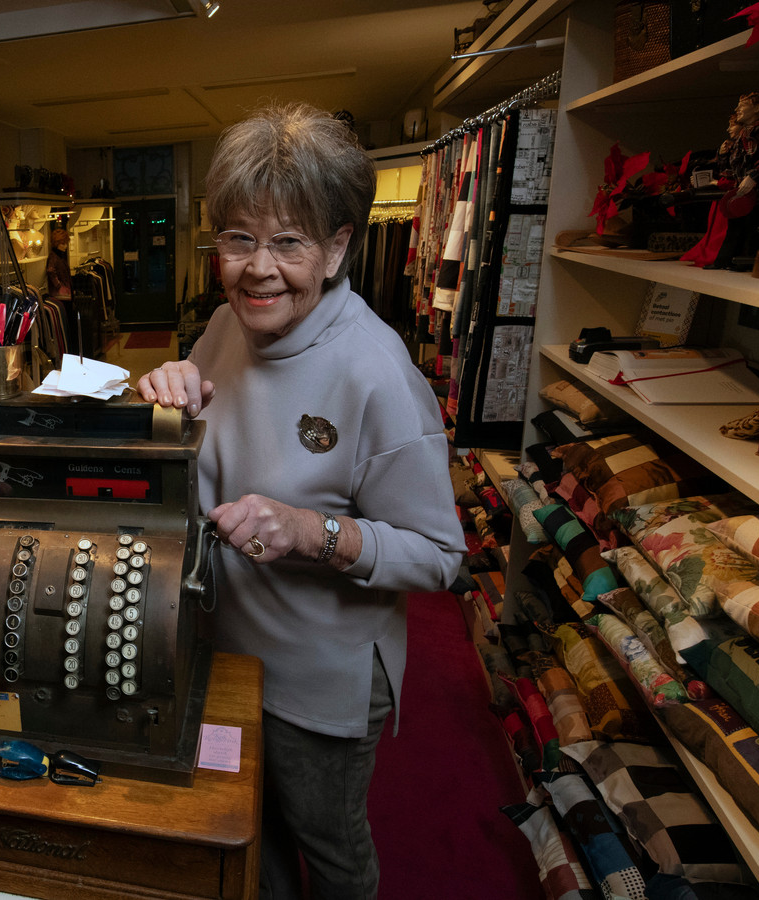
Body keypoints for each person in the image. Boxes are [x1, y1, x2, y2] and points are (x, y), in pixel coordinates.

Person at [137, 103, 466, 899]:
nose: (258, 268)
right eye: (239, 238)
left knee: (330, 849)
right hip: (222, 654)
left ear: (337, 248)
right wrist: (160, 400)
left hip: (318, 679)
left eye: (288, 242)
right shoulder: (221, 325)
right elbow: (200, 461)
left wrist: (311, 532)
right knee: (252, 833)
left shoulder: (377, 374)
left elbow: (440, 558)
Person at [682, 91, 759, 269]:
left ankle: (741, 261)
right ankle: (724, 260)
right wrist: (722, 154)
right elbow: (730, 166)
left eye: (742, 106)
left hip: (755, 194)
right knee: (734, 228)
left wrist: (754, 175)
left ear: (757, 108)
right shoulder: (743, 138)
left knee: (750, 228)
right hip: (739, 192)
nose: (737, 109)